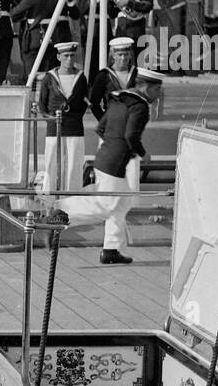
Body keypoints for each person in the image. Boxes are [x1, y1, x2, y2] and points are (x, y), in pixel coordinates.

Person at [61, 67, 164, 264]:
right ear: (147, 87)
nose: (159, 95)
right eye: (157, 90)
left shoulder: (118, 100)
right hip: (114, 163)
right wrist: (144, 154)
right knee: (106, 206)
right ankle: (61, 214)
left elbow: (100, 128)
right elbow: (131, 136)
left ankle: (112, 249)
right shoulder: (140, 107)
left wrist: (112, 145)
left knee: (121, 203)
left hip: (104, 158)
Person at [37, 42, 89, 193]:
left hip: (74, 126)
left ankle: (72, 196)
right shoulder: (49, 78)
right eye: (66, 56)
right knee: (52, 163)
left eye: (72, 56)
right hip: (54, 126)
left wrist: (75, 117)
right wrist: (51, 120)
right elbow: (42, 104)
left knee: (74, 163)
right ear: (58, 57)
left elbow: (84, 101)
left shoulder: (81, 77)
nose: (69, 59)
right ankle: (50, 196)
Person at [88, 36, 137, 122]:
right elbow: (94, 103)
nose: (123, 58)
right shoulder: (104, 75)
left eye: (126, 54)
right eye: (120, 54)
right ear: (113, 55)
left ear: (130, 55)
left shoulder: (136, 74)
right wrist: (104, 122)